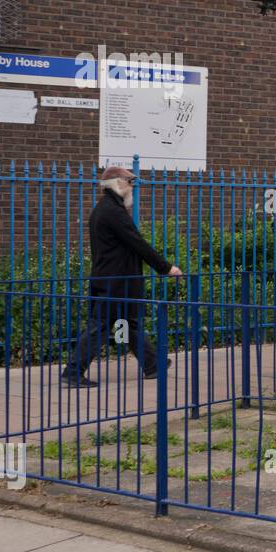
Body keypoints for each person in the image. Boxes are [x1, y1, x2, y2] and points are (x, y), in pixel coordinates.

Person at [62, 165, 183, 387]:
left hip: (110, 278)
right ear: (117, 183)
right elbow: (137, 243)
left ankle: (152, 364)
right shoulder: (113, 211)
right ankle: (72, 372)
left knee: (128, 323)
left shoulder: (104, 209)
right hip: (116, 281)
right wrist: (166, 268)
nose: (132, 189)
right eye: (129, 184)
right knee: (101, 325)